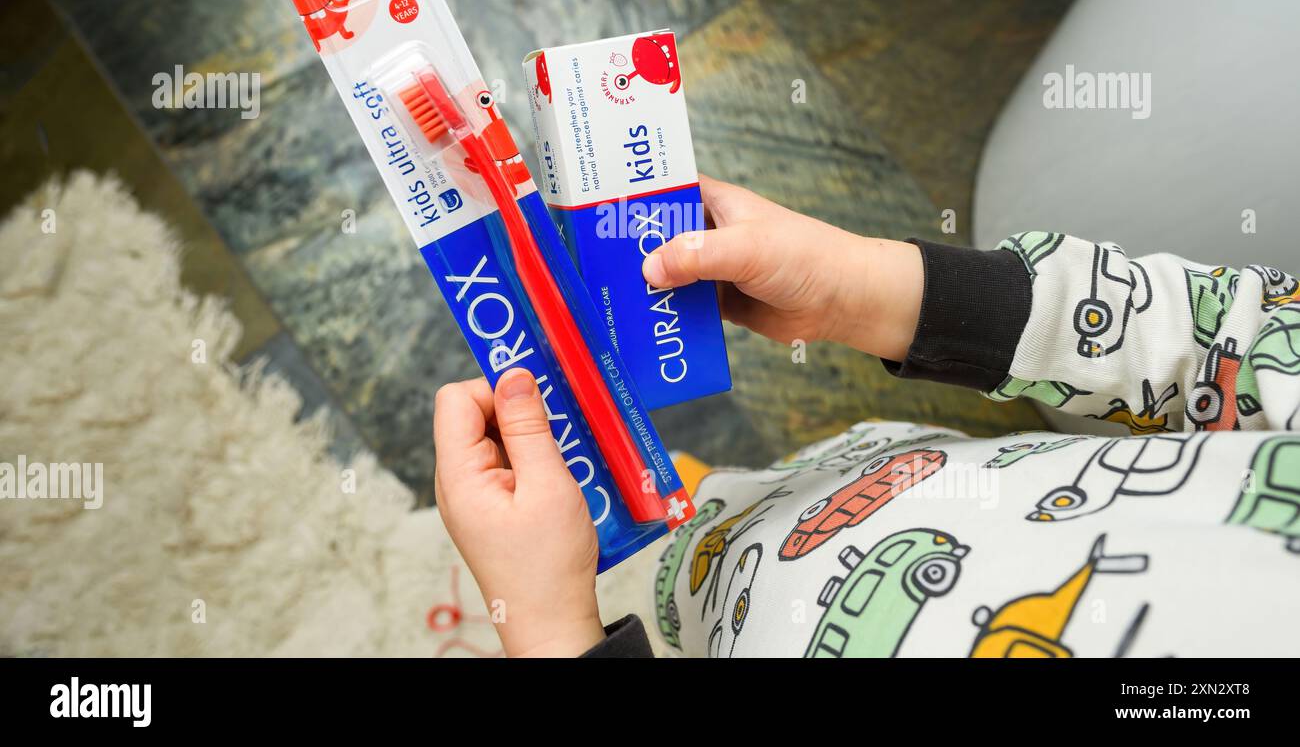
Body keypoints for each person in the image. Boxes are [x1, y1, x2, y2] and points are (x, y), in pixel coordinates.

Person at [434, 176, 1300, 657]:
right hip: (899, 487)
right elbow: (1236, 338)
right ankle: (700, 508)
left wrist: (548, 626)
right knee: (731, 511)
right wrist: (867, 289)